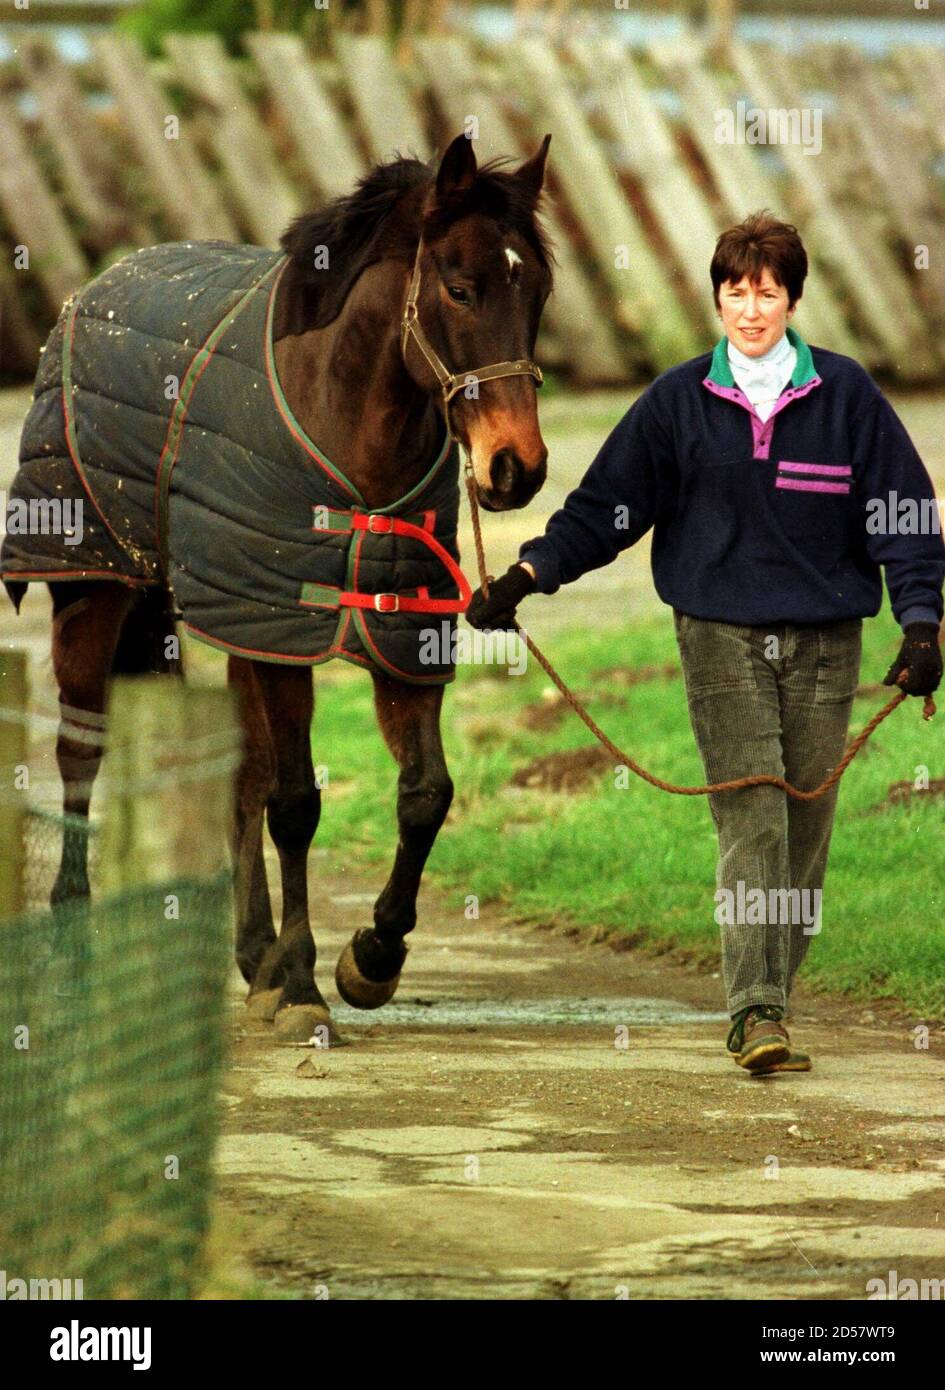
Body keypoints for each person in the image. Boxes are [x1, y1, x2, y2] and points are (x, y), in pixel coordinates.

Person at [466, 211, 944, 1076]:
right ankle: (755, 1011)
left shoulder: (846, 399)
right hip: (717, 634)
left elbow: (903, 519)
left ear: (791, 299)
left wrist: (920, 624)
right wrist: (527, 574)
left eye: (766, 291)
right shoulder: (677, 403)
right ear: (716, 297)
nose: (749, 308)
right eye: (734, 290)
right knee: (753, 813)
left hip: (827, 642)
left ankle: (773, 993)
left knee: (805, 827)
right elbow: (605, 511)